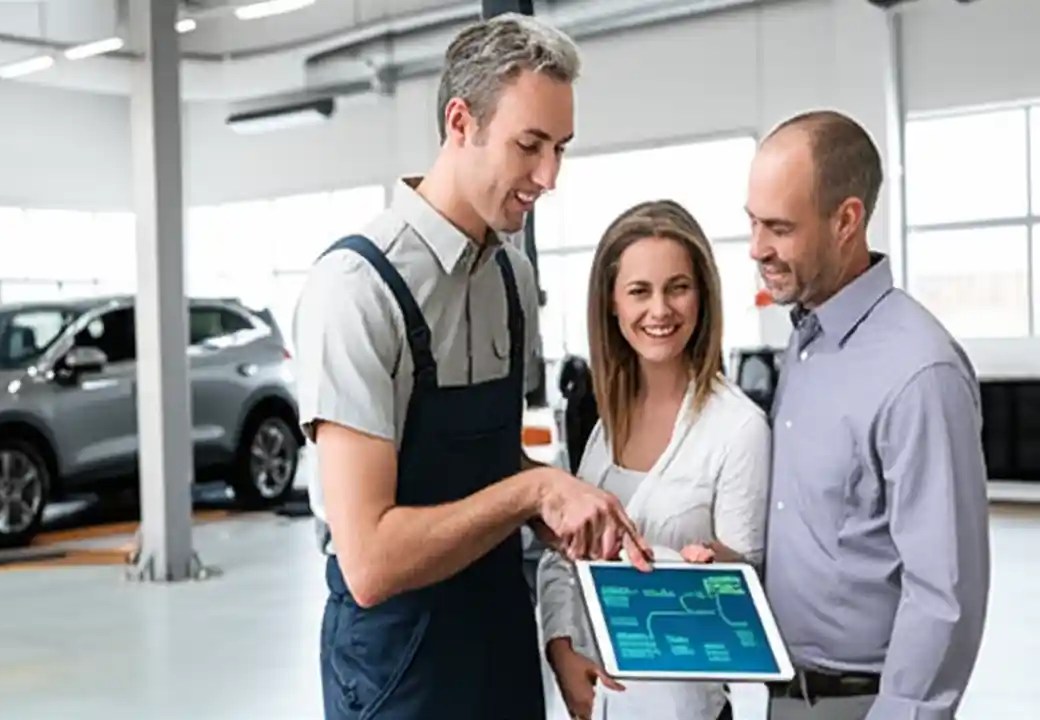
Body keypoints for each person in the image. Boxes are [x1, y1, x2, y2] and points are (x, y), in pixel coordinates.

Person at [292, 13, 652, 720]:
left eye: (560, 148)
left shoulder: (512, 280)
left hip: (498, 636)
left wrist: (562, 511)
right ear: (461, 123)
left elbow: (485, 467)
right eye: (529, 146)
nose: (549, 176)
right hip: (397, 662)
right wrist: (534, 492)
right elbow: (369, 563)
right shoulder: (357, 290)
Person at [746, 109, 991, 719]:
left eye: (779, 227)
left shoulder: (920, 372)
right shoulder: (808, 339)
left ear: (846, 220)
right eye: (752, 222)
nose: (757, 249)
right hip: (787, 696)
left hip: (862, 703)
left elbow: (945, 591)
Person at [538, 200, 773, 720]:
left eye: (678, 287)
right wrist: (560, 648)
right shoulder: (606, 422)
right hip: (594, 703)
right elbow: (564, 555)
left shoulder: (739, 429)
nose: (660, 310)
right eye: (640, 291)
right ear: (612, 303)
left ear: (702, 295)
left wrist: (706, 569)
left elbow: (745, 588)